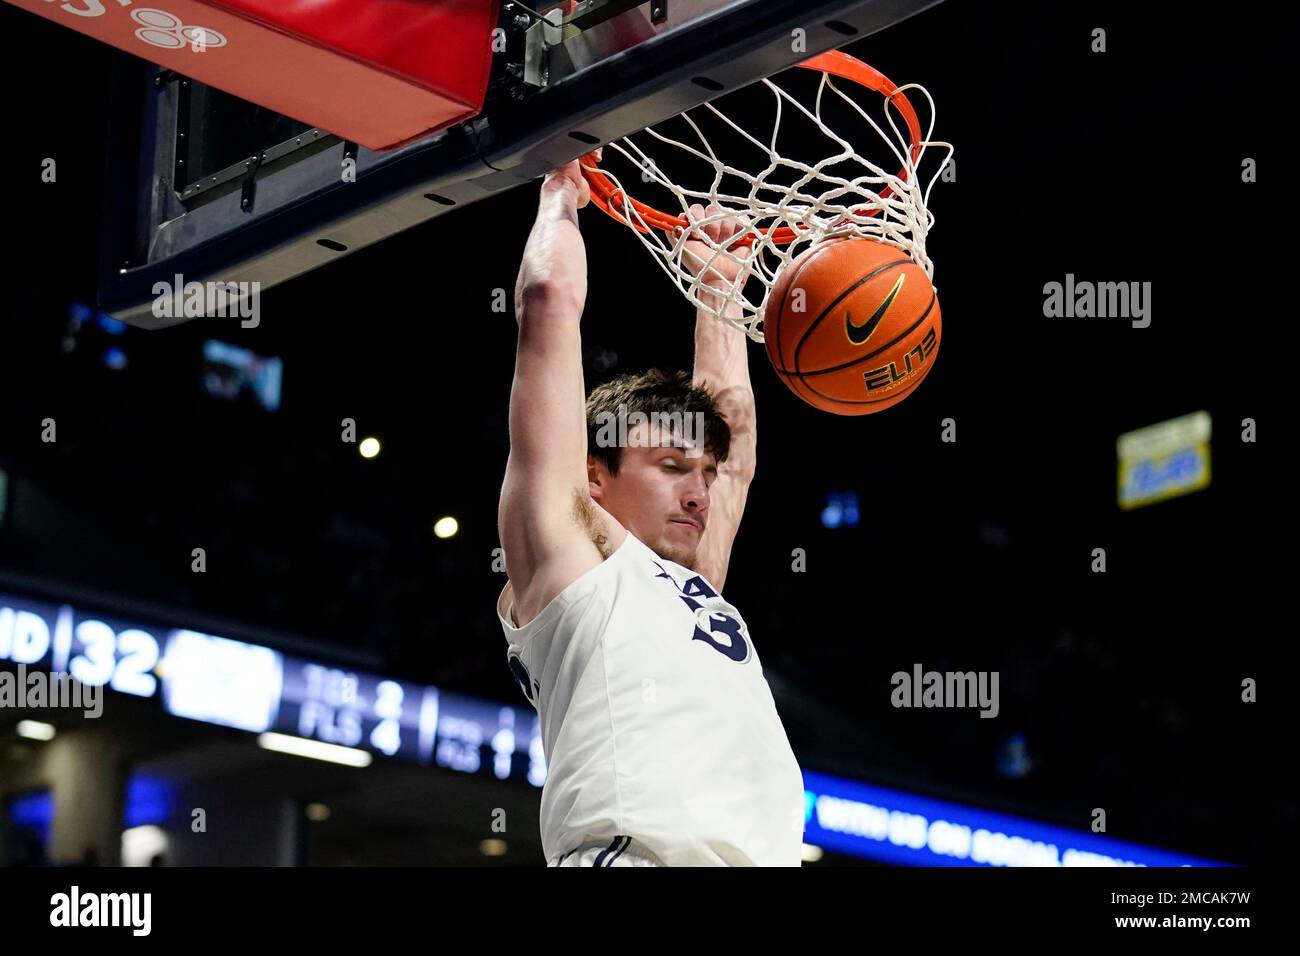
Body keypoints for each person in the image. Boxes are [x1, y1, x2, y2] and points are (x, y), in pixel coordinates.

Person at [496, 155, 804, 867]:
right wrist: (561, 195)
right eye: (671, 469)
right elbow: (545, 302)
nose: (701, 491)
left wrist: (720, 285)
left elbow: (737, 440)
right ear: (594, 478)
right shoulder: (570, 556)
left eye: (703, 472)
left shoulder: (695, 585)